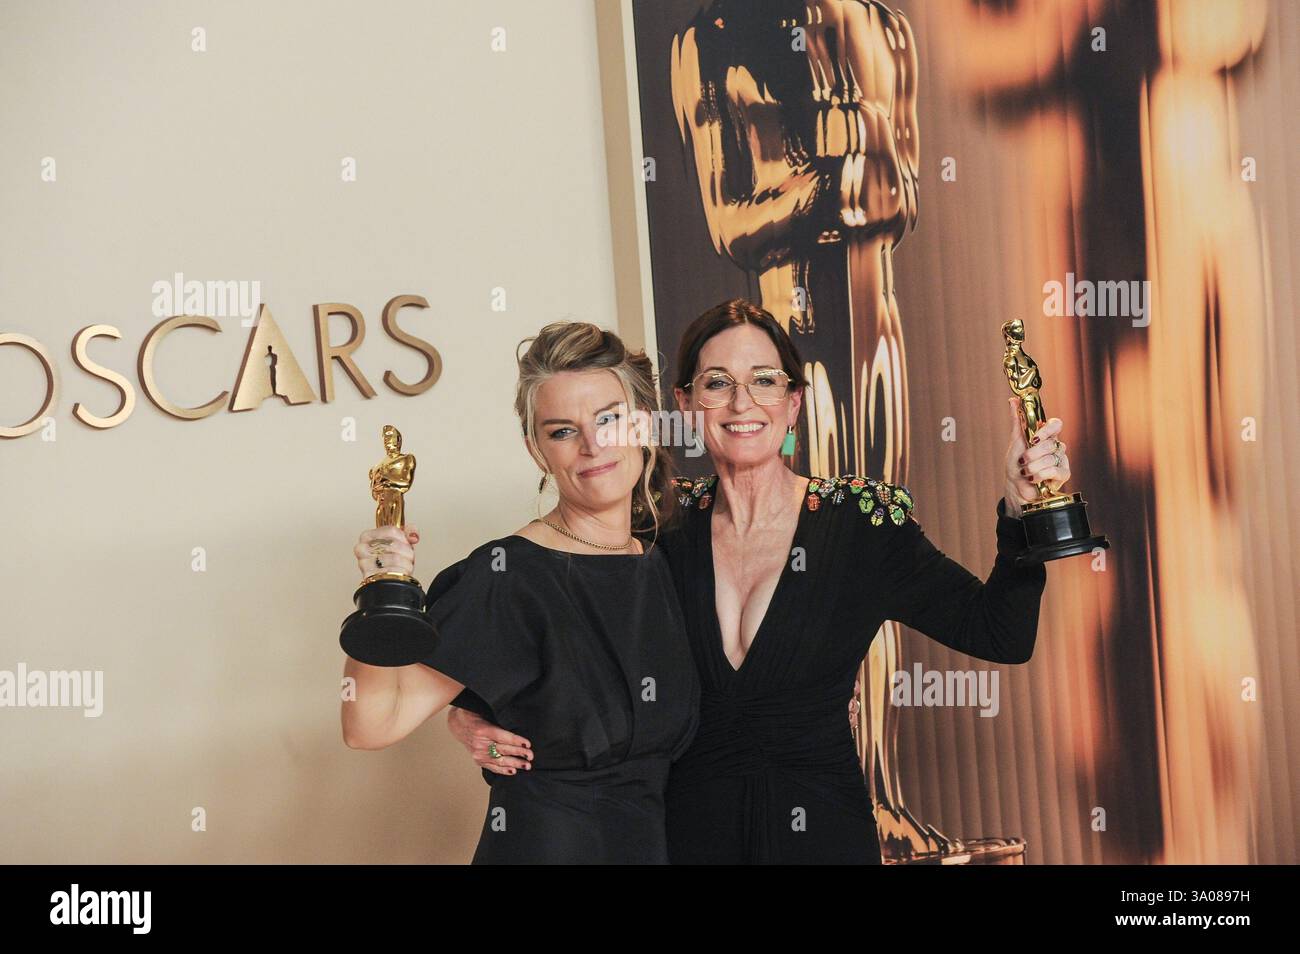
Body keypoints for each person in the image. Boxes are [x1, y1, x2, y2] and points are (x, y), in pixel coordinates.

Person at [449, 298, 1061, 864]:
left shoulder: (861, 525)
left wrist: (1020, 511)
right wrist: (467, 720)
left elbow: (1000, 634)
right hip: (685, 840)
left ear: (793, 403)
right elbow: (543, 638)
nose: (743, 405)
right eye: (718, 384)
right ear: (686, 406)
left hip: (823, 836)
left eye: (765, 380)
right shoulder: (655, 531)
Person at [340, 321, 699, 864]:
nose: (593, 445)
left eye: (609, 419)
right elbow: (370, 725)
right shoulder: (507, 575)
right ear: (537, 451)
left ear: (644, 425)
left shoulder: (666, 558)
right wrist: (379, 593)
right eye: (562, 431)